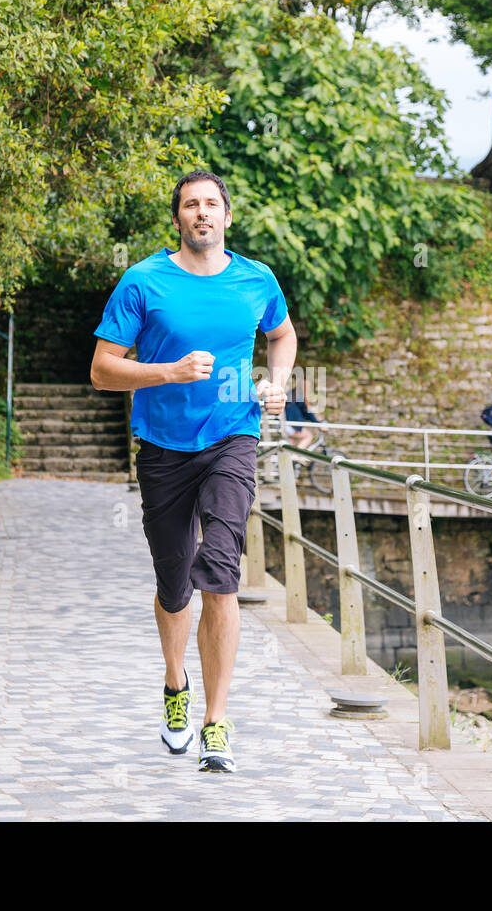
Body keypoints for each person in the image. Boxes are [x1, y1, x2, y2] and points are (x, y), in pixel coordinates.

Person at [89, 169, 295, 773]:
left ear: (228, 216)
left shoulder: (257, 279)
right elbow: (103, 370)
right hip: (162, 447)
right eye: (190, 205)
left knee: (221, 573)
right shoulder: (143, 281)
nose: (201, 213)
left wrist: (276, 384)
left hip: (234, 436)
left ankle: (216, 722)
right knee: (174, 584)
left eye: (211, 204)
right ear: (177, 218)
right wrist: (169, 372)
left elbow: (282, 337)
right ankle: (175, 686)